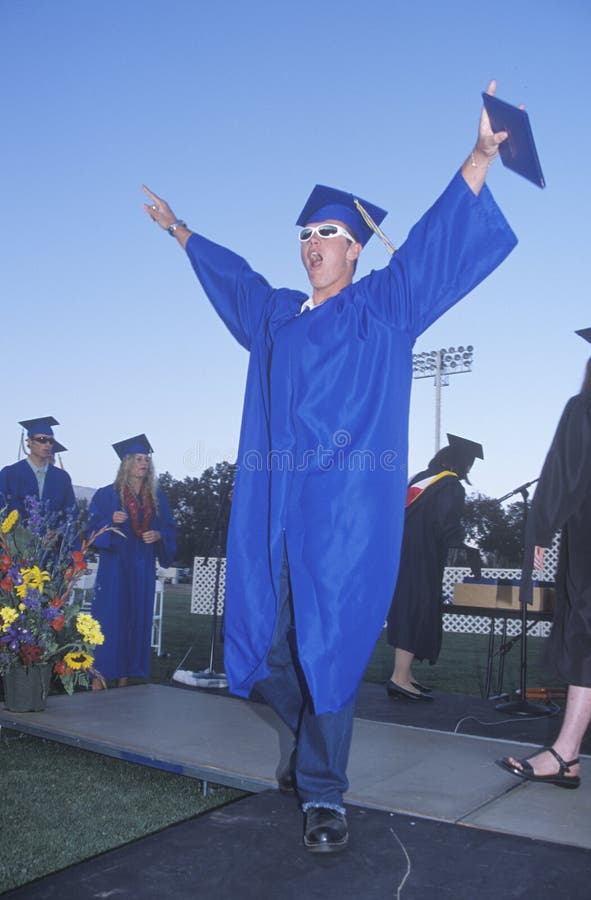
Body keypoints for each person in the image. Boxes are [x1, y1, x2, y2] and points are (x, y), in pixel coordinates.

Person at [142, 81, 518, 853]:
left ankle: (323, 793)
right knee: (268, 650)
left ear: (354, 247)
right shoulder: (277, 317)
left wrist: (478, 156)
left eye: (330, 232)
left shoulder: (381, 311)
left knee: (329, 646)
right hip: (273, 509)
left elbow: (431, 252)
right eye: (306, 233)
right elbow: (237, 282)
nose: (314, 242)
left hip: (343, 517)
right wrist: (183, 233)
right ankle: (310, 738)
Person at [498, 328, 591, 789]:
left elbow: (565, 468)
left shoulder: (585, 409)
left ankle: (565, 754)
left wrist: (541, 526)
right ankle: (566, 753)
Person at [386, 434, 483, 701]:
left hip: (403, 554)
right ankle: (399, 677)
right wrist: (464, 546)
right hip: (423, 556)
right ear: (462, 463)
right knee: (415, 610)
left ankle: (406, 676)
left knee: (409, 608)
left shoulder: (421, 478)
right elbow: (445, 523)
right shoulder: (450, 485)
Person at [88, 435, 176, 689]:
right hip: (115, 566)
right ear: (126, 462)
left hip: (142, 566)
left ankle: (124, 679)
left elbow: (169, 528)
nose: (144, 463)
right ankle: (99, 678)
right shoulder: (107, 495)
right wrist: (109, 521)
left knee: (135, 618)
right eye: (138, 459)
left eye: (147, 459)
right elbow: (91, 529)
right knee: (109, 619)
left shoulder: (157, 497)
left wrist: (159, 535)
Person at [0, 417, 77, 523]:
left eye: (51, 441)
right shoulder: (10, 474)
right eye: (42, 440)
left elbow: (71, 515)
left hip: (54, 539)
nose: (47, 444)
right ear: (30, 442)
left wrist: (57, 532)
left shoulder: (62, 478)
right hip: (14, 538)